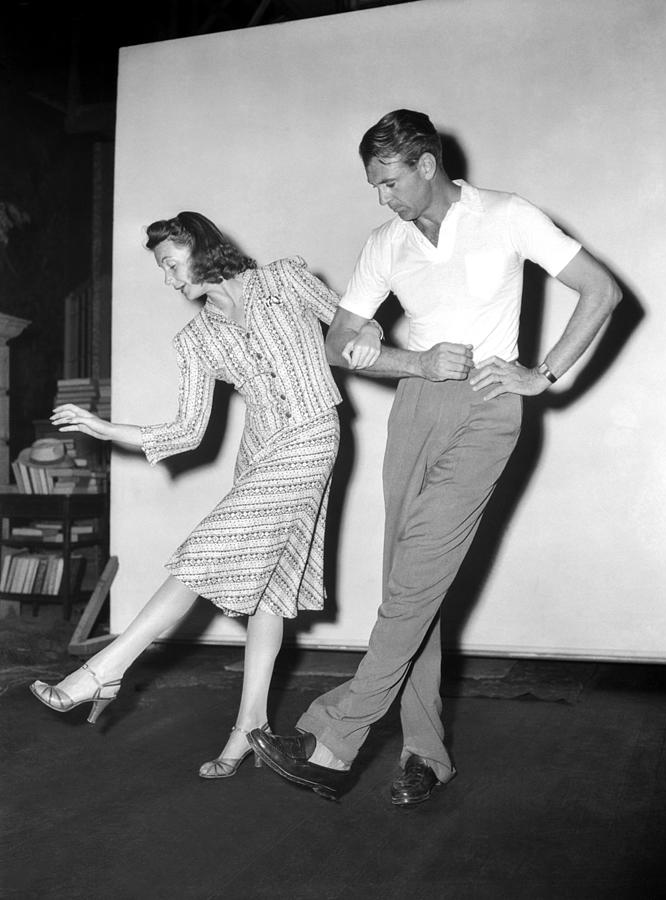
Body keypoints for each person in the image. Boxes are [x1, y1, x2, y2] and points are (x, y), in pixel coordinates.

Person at [249, 109, 622, 804]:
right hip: (416, 409)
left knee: (415, 580)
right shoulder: (385, 243)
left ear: (427, 164)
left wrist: (542, 373)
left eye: (389, 182)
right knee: (408, 588)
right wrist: (413, 361)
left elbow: (600, 290)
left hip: (487, 410)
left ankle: (336, 738)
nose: (382, 198)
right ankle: (425, 754)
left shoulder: (506, 214)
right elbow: (340, 342)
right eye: (374, 185)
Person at [29, 211, 381, 778]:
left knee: (204, 551)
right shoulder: (196, 339)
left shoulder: (284, 279)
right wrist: (106, 428)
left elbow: (346, 325)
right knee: (269, 594)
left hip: (313, 434)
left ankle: (106, 667)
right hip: (258, 455)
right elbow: (187, 431)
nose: (170, 280)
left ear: (200, 248)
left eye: (171, 264)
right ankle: (248, 729)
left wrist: (369, 332)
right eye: (163, 270)